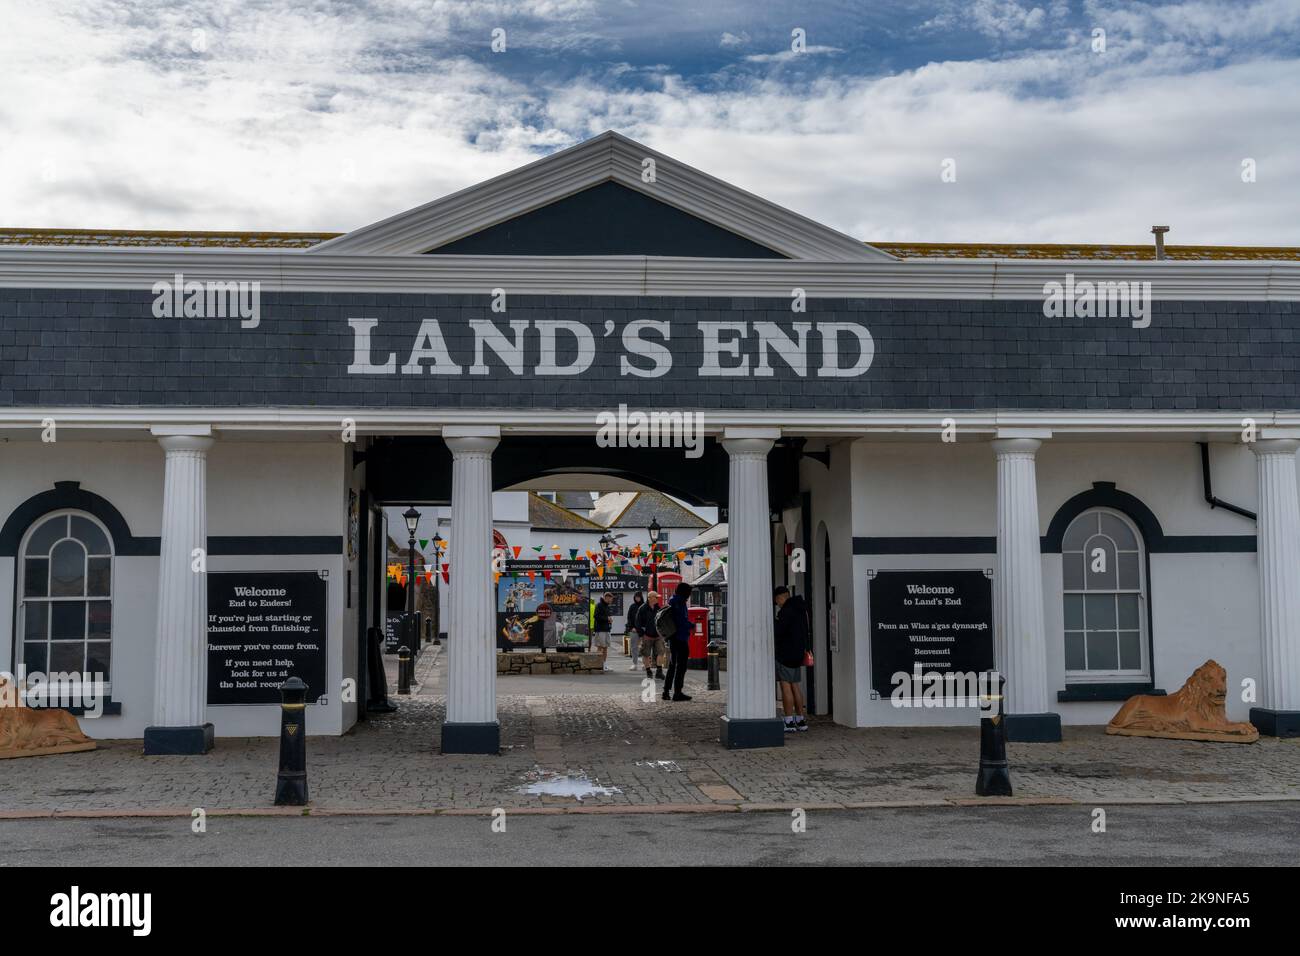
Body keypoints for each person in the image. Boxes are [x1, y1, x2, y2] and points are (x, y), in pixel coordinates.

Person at [773, 585, 809, 731]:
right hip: (798, 653)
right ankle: (800, 719)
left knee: (785, 685)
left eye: (777, 600)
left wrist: (775, 623)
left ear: (782, 597)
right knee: (795, 685)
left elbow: (779, 632)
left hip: (785, 654)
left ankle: (788, 720)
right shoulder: (800, 609)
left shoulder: (786, 612)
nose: (777, 603)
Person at [662, 582, 693, 702]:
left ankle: (666, 691)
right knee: (681, 666)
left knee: (672, 665)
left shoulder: (673, 600)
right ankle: (677, 693)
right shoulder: (679, 602)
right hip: (680, 638)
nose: (689, 595)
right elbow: (681, 621)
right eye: (689, 592)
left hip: (673, 637)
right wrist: (692, 625)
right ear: (684, 592)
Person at [639, 591, 666, 680]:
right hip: (647, 635)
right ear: (650, 598)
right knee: (646, 654)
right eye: (656, 597)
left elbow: (661, 620)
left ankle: (659, 671)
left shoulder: (658, 608)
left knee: (661, 652)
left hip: (658, 635)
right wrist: (642, 634)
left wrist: (662, 632)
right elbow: (637, 622)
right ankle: (648, 671)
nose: (658, 599)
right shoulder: (642, 608)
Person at [593, 591, 614, 671]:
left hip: (607, 629)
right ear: (605, 598)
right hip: (600, 629)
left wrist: (610, 620)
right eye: (609, 599)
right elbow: (596, 616)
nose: (610, 601)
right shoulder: (599, 605)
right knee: (600, 647)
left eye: (611, 599)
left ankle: (604, 665)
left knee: (605, 648)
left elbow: (606, 616)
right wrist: (607, 619)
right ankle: (599, 665)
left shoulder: (607, 606)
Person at [626, 591, 645, 671]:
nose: (637, 598)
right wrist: (631, 627)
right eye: (636, 597)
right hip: (634, 630)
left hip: (643, 629)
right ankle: (635, 664)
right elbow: (629, 618)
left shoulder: (645, 606)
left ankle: (645, 664)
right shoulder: (632, 606)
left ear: (641, 597)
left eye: (639, 597)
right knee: (634, 647)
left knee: (645, 647)